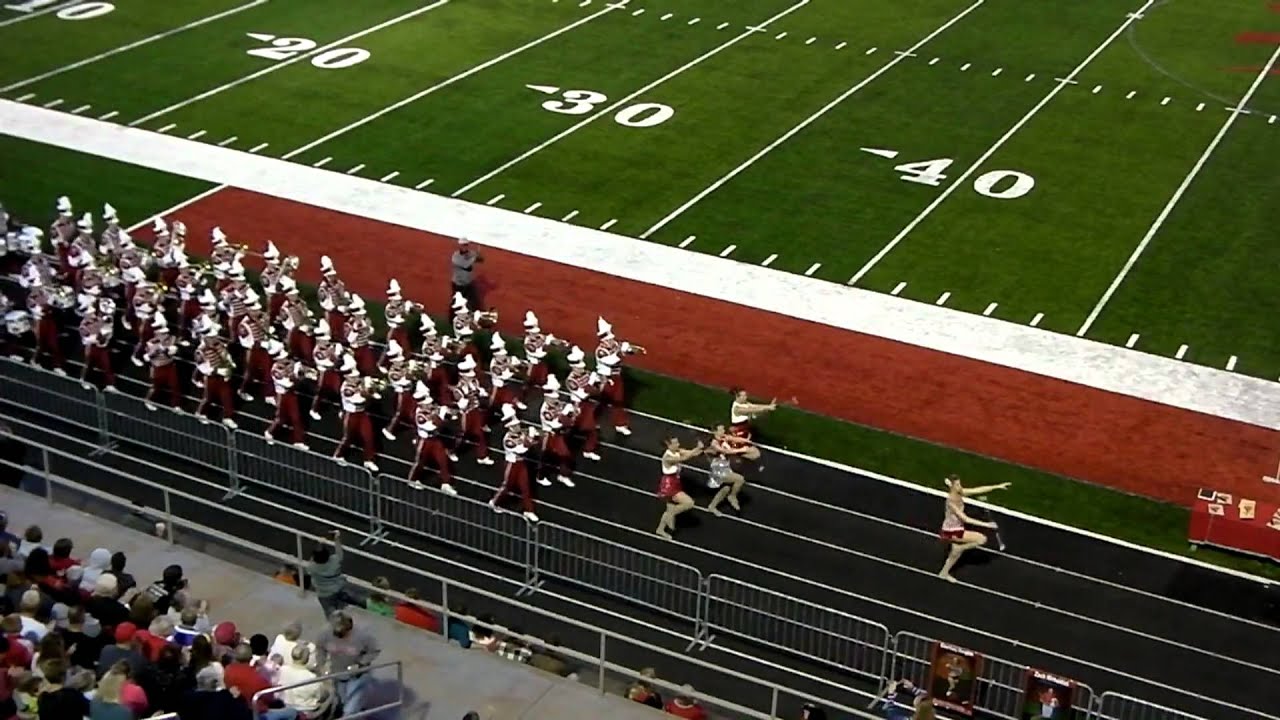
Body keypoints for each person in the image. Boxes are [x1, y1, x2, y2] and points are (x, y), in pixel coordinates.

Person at [938, 475, 1011, 583]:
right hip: (950, 532)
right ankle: (960, 548)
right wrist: (987, 525)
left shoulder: (960, 492)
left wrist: (997, 486)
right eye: (957, 485)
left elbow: (977, 490)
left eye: (960, 484)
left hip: (956, 529)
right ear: (952, 486)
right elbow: (965, 519)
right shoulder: (951, 502)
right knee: (981, 539)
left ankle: (943, 573)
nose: (960, 486)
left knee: (955, 555)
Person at [313, 611, 379, 716]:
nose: (338, 634)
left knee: (350, 710)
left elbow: (374, 650)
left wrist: (361, 663)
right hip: (337, 673)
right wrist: (321, 664)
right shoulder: (325, 633)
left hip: (357, 676)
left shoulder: (363, 635)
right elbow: (320, 648)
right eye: (335, 631)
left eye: (342, 631)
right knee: (342, 701)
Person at [656, 438, 702, 540]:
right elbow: (683, 459)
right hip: (669, 485)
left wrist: (699, 448)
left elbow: (691, 453)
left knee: (670, 508)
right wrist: (696, 450)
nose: (678, 444)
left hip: (675, 482)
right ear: (669, 445)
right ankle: (671, 515)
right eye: (675, 443)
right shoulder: (668, 457)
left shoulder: (677, 451)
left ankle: (660, 529)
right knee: (689, 503)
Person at [705, 427, 756, 516]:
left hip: (725, 467)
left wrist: (747, 441)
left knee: (726, 488)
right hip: (718, 470)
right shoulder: (714, 443)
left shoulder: (724, 437)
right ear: (715, 432)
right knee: (739, 479)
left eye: (723, 429)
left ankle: (712, 506)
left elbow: (735, 439)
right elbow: (725, 451)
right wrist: (741, 450)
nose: (723, 431)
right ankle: (732, 496)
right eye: (721, 430)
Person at [278, 644, 328, 717]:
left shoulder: (282, 669)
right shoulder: (311, 677)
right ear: (307, 659)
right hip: (306, 709)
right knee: (331, 696)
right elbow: (321, 695)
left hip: (286, 705)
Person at [308, 530, 347, 618]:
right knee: (342, 608)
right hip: (337, 588)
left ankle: (335, 621)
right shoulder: (335, 561)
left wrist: (320, 544)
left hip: (323, 593)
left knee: (330, 614)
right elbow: (339, 552)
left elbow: (312, 559)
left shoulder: (312, 567)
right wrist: (337, 539)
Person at [450, 238, 483, 312]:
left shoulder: (471, 253)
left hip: (468, 283)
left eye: (466, 245)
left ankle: (475, 315)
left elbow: (481, 260)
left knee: (474, 301)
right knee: (457, 302)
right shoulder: (456, 256)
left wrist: (479, 255)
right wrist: (474, 258)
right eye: (463, 245)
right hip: (459, 285)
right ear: (460, 246)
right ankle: (452, 316)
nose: (465, 247)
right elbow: (465, 265)